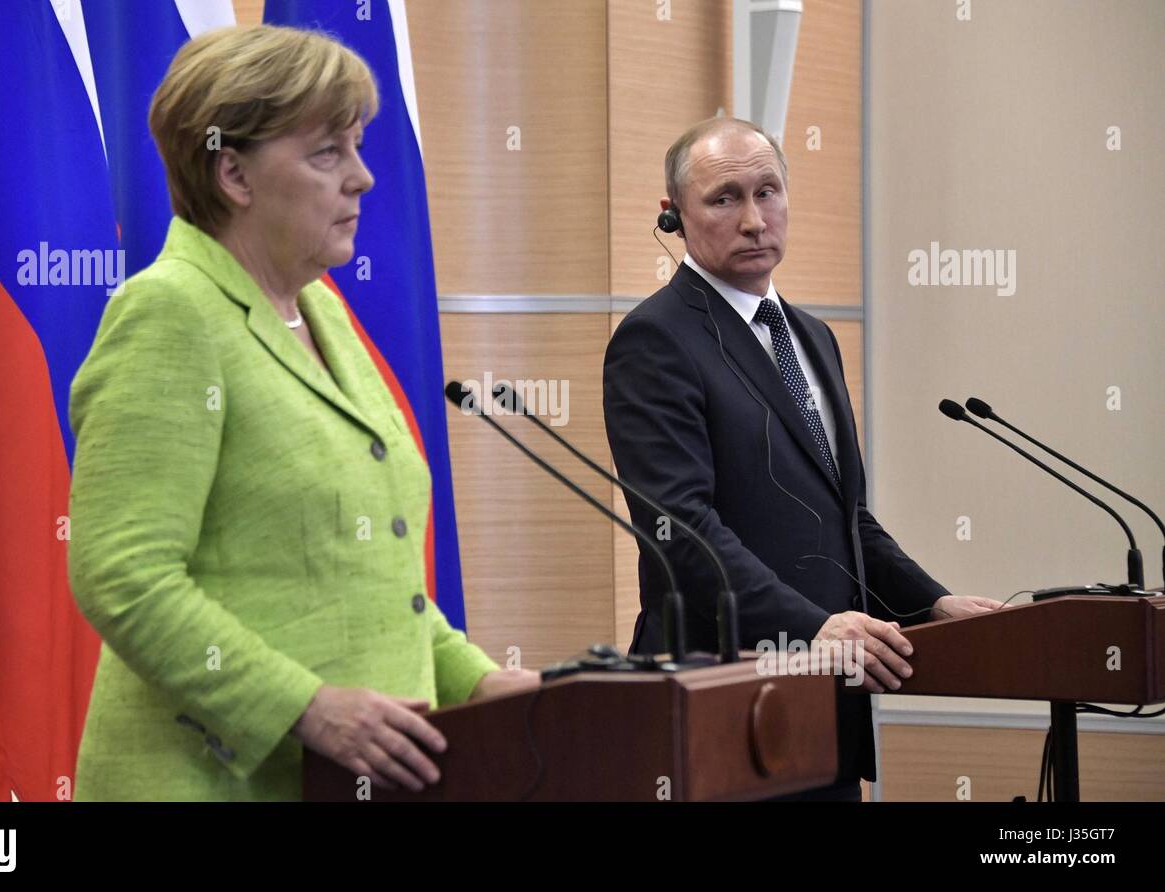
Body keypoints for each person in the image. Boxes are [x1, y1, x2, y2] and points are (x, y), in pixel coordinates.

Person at [67, 24, 537, 801]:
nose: (362, 179)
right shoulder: (170, 313)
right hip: (206, 783)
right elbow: (122, 574)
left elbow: (367, 581)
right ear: (234, 175)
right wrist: (302, 709)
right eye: (327, 154)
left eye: (356, 147)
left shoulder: (322, 312)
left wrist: (475, 682)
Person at [603, 116, 998, 800]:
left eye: (768, 191)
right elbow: (682, 529)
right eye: (724, 198)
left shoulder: (812, 337)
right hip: (721, 700)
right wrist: (812, 626)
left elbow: (848, 521)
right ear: (673, 218)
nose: (754, 219)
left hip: (827, 708)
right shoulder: (654, 341)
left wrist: (932, 603)